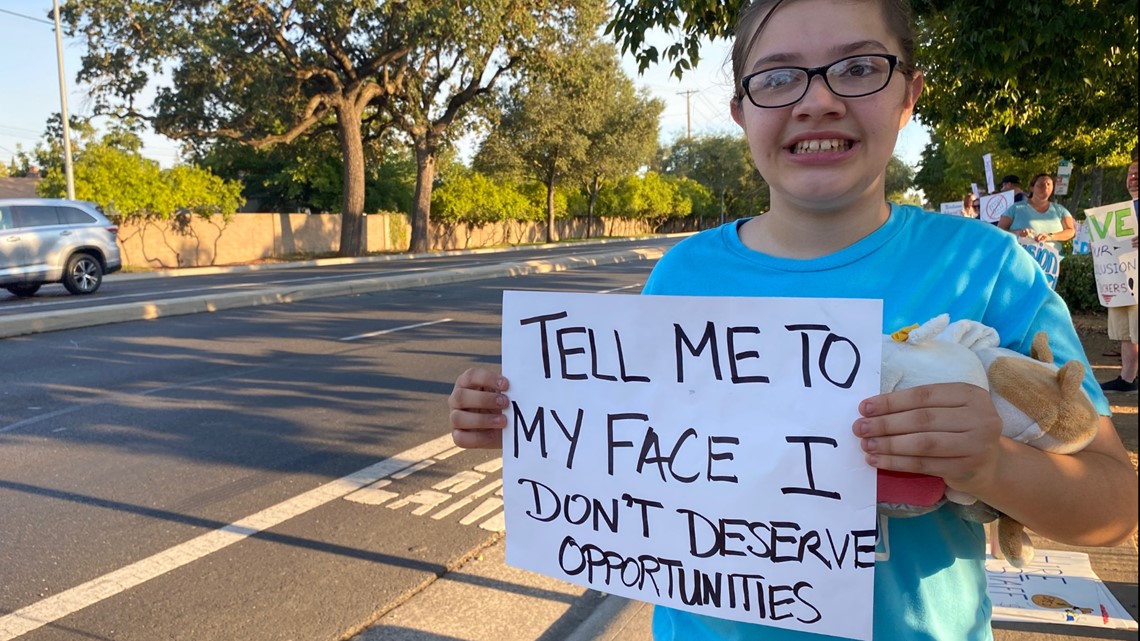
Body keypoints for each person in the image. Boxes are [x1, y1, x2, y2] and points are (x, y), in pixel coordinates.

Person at [448, 0, 1139, 639]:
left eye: (859, 68)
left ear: (909, 96)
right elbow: (635, 444)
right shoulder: (683, 275)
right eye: (778, 78)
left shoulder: (986, 269)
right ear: (741, 111)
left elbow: (1114, 505)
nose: (818, 100)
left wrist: (993, 463)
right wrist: (524, 414)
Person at [1100, 146, 1139, 393]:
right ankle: (1127, 378)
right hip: (1122, 278)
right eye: (1131, 173)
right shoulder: (1120, 211)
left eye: (1138, 174)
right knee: (1126, 332)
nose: (1133, 177)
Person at [997, 173, 1076, 255]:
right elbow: (999, 230)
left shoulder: (1060, 210)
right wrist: (1018, 233)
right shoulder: (1016, 208)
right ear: (1032, 188)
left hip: (1052, 260)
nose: (1045, 187)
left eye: (1049, 184)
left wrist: (1050, 237)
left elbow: (1071, 231)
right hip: (1021, 258)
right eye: (1041, 185)